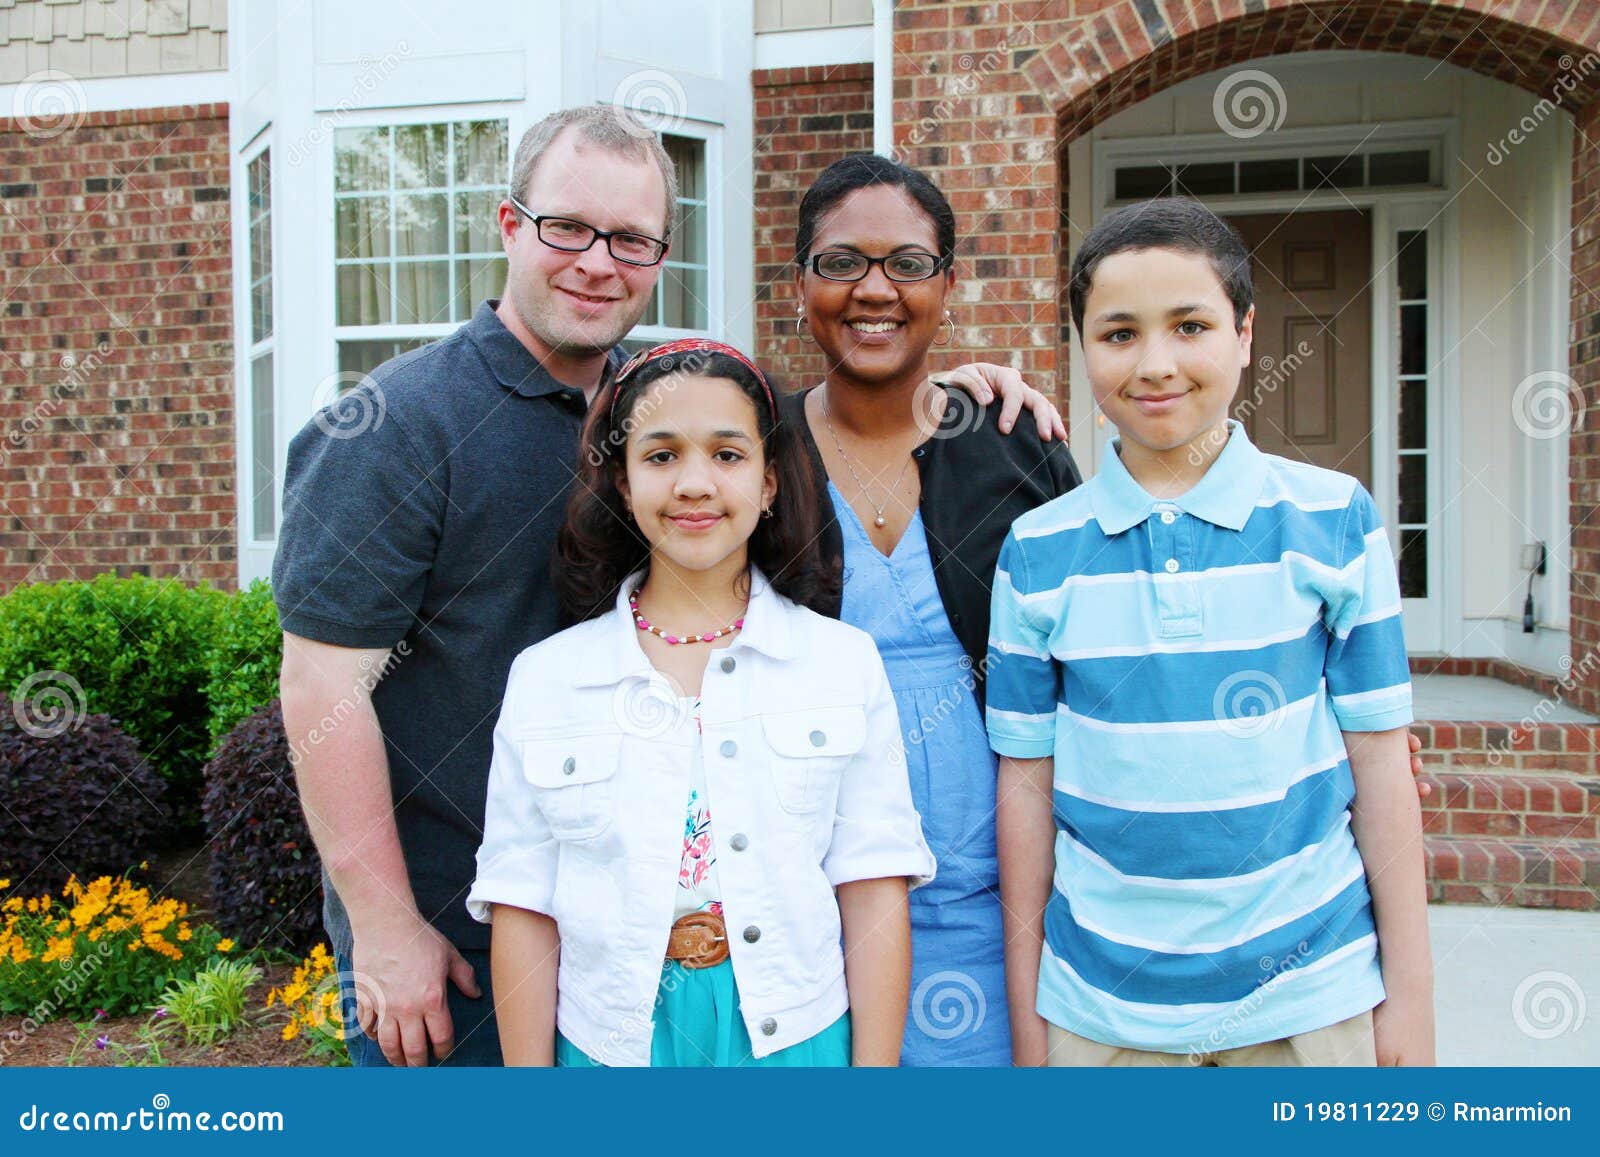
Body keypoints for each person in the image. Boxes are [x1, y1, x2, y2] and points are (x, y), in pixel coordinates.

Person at [273, 104, 1063, 1067]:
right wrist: (384, 925)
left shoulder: (663, 402)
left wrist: (954, 390)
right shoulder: (397, 424)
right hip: (463, 940)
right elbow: (321, 689)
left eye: (632, 239)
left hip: (712, 943)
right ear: (508, 224)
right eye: (567, 227)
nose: (597, 262)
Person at [987, 197, 1435, 1067]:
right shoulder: (1038, 551)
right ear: (1082, 347)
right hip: (1101, 1014)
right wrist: (1029, 1016)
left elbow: (1382, 769)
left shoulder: (1334, 520)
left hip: (1310, 1003)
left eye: (1190, 325)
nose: (1155, 363)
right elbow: (1025, 790)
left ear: (1245, 334)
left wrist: (1410, 1002)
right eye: (1119, 333)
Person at [468, 339, 936, 1066]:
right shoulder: (548, 678)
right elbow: (525, 905)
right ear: (623, 483)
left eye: (727, 454)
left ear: (770, 480)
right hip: (611, 1045)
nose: (694, 483)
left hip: (797, 1040)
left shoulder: (842, 663)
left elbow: (874, 888)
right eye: (660, 456)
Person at [778, 154, 1082, 1066]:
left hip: (1003, 921)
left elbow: (1115, 644)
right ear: (800, 283)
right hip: (806, 924)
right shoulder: (753, 453)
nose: (876, 289)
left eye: (908, 263)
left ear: (947, 285)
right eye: (842, 263)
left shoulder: (1012, 445)